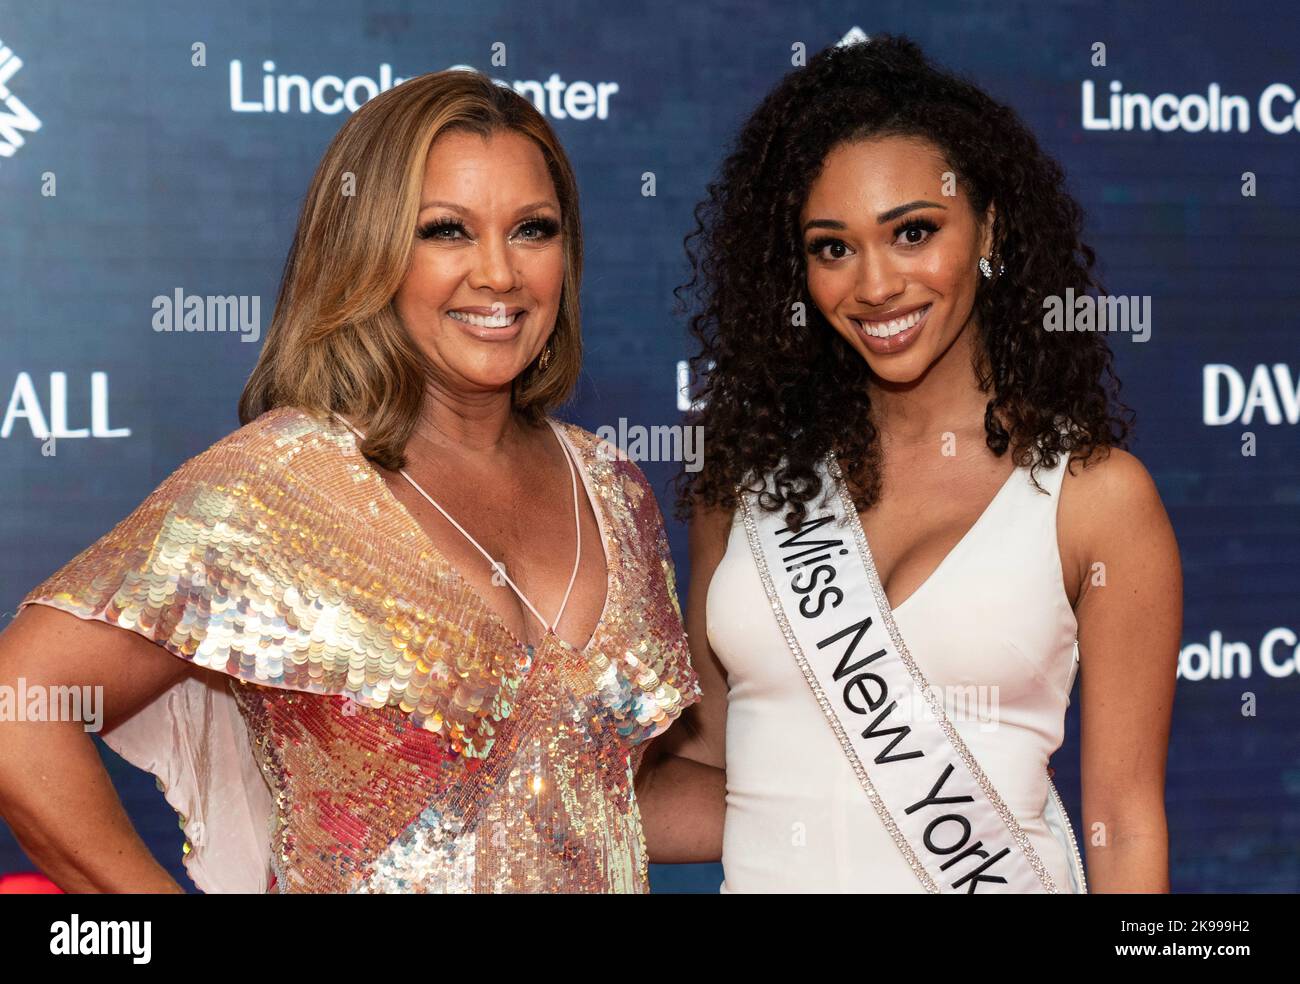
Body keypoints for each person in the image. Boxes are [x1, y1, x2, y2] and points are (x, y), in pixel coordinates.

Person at [0, 68, 700, 894]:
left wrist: (851, 803)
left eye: (533, 229)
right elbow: (20, 712)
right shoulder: (282, 484)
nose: (499, 274)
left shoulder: (613, 488)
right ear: (368, 249)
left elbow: (606, 792)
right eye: (445, 230)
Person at [644, 35, 1180, 892]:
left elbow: (1126, 824)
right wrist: (490, 795)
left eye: (914, 232)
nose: (877, 284)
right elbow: (717, 762)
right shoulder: (745, 488)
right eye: (833, 247)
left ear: (988, 229)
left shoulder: (1094, 497)